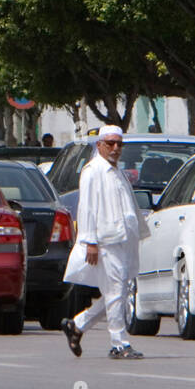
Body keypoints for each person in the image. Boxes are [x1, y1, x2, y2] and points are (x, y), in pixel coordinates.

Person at [61, 125, 147, 360]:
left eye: (119, 144)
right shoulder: (93, 171)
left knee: (116, 293)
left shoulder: (117, 171)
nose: (116, 148)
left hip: (123, 241)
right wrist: (90, 240)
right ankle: (119, 343)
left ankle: (77, 325)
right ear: (99, 145)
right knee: (116, 292)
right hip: (105, 242)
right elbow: (87, 207)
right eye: (110, 143)